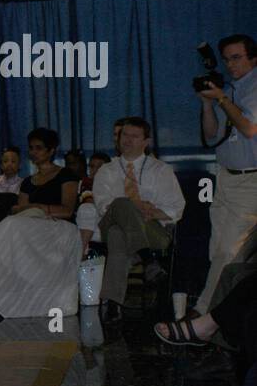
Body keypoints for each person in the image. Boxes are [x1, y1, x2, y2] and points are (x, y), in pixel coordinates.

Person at [0, 128, 82, 317]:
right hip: (32, 225)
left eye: (39, 148)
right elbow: (21, 209)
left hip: (59, 227)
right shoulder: (28, 181)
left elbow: (67, 210)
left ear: (51, 150)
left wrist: (37, 207)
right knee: (14, 223)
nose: (34, 152)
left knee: (13, 224)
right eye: (31, 148)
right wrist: (29, 209)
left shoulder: (66, 175)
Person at [93, 117, 185, 320]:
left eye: (134, 136)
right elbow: (104, 206)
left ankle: (113, 304)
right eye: (124, 135)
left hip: (152, 230)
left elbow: (176, 209)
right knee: (121, 204)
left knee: (119, 235)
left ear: (146, 141)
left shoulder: (161, 170)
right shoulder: (106, 170)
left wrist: (151, 212)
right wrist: (137, 206)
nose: (127, 140)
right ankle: (148, 259)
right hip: (112, 221)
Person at [197, 34, 257, 312]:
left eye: (237, 58)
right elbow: (211, 137)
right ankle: (226, 317)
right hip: (225, 176)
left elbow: (249, 129)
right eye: (226, 59)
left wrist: (221, 98)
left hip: (250, 179)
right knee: (216, 249)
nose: (230, 65)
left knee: (229, 251)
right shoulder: (229, 91)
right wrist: (209, 103)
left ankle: (203, 314)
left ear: (252, 58)